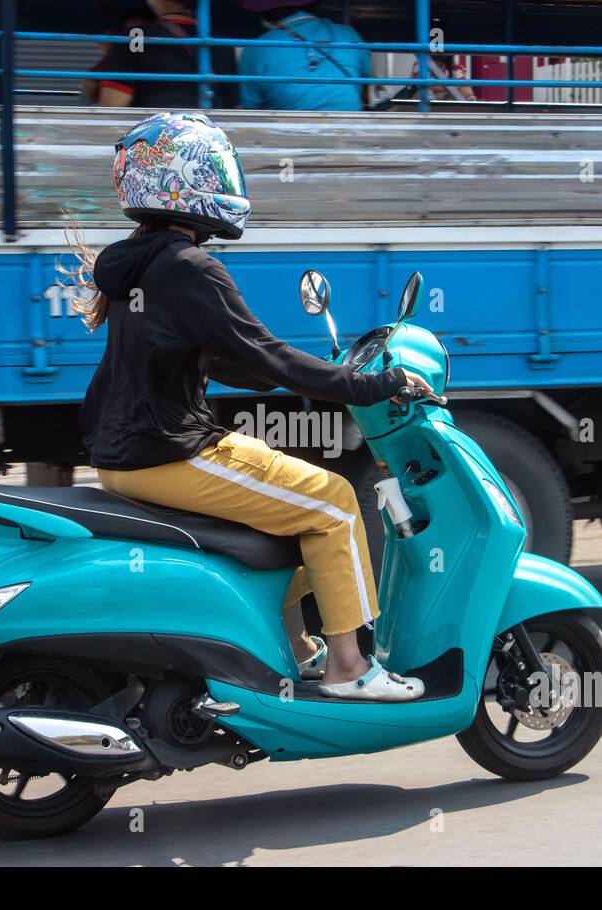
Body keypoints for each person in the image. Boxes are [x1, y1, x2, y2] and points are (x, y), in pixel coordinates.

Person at [69, 112, 436, 701]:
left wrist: (266, 375)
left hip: (124, 455)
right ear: (184, 180)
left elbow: (205, 355)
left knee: (287, 502)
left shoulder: (134, 263)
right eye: (216, 169)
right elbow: (268, 353)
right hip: (167, 452)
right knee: (337, 505)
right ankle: (350, 669)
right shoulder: (190, 268)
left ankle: (296, 650)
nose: (229, 181)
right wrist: (372, 384)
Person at [95, 0, 237, 109]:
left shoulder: (136, 36)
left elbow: (113, 104)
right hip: (209, 133)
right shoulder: (222, 42)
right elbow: (231, 102)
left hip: (154, 135)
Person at [238, 1, 369, 111]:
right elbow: (364, 83)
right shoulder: (349, 34)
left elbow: (251, 108)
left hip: (286, 133)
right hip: (349, 128)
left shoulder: (256, 48)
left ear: (265, 14)